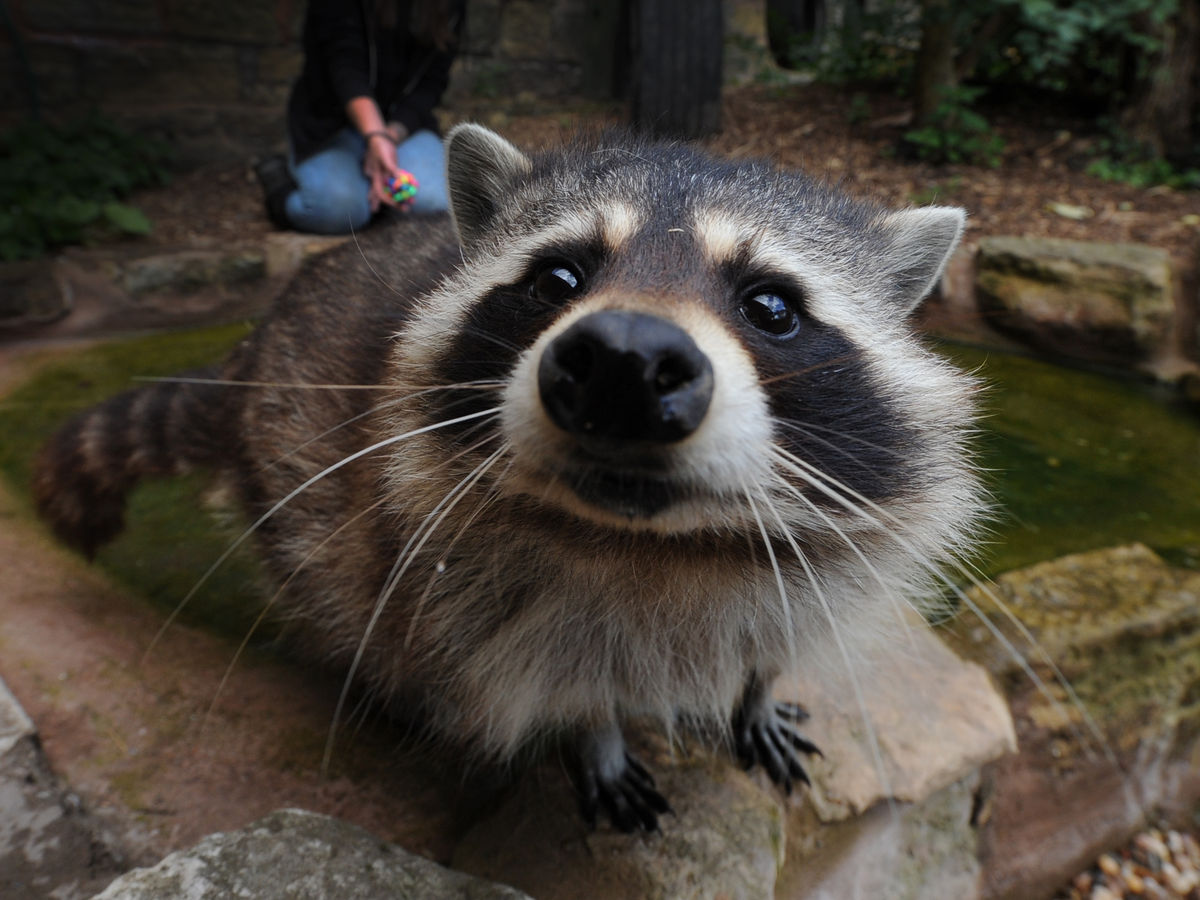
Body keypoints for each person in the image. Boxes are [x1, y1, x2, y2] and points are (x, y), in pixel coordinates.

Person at [255, 0, 465, 234]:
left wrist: (390, 136)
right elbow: (344, 69)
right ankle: (279, 187)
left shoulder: (451, 6)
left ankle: (375, 195)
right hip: (329, 127)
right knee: (337, 211)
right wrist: (375, 136)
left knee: (439, 205)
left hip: (404, 128)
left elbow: (432, 84)